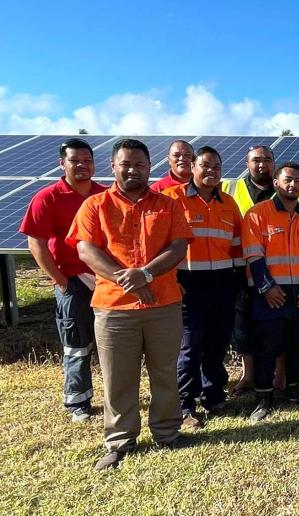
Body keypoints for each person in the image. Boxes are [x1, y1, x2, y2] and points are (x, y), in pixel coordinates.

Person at [67, 138, 192, 471]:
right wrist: (129, 280)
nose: (133, 169)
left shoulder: (168, 205)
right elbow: (86, 250)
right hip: (113, 308)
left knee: (164, 371)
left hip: (163, 304)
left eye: (139, 164)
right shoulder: (94, 205)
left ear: (149, 168)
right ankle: (120, 440)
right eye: (126, 164)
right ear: (113, 167)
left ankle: (167, 433)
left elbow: (179, 247)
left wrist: (147, 274)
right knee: (118, 378)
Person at [19, 138, 107, 423]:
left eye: (87, 160)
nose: (81, 165)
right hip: (73, 282)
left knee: (111, 343)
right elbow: (37, 244)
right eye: (74, 160)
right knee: (76, 345)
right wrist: (60, 281)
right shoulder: (47, 197)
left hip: (106, 281)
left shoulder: (104, 195)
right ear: (62, 163)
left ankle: (115, 397)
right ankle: (78, 402)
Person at [162, 146, 243, 429]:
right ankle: (185, 406)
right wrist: (170, 279)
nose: (211, 172)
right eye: (205, 166)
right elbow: (160, 245)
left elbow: (237, 245)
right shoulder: (172, 200)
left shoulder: (229, 204)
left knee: (216, 343)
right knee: (189, 346)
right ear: (192, 167)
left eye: (216, 167)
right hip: (187, 283)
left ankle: (214, 395)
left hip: (222, 282)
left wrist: (237, 282)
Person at [223, 145, 299, 396]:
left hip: (279, 277)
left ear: (274, 164)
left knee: (276, 328)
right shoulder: (232, 189)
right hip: (238, 269)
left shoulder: (291, 193)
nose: (262, 164)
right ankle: (249, 376)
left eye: (267, 160)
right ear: (247, 163)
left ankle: (280, 377)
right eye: (256, 160)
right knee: (243, 327)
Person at [241, 162, 299, 421]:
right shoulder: (257, 214)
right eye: (288, 180)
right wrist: (267, 288)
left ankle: (295, 388)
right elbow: (253, 255)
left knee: (298, 345)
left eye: (298, 181)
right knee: (267, 346)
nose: (293, 185)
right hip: (269, 294)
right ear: (276, 183)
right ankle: (263, 397)